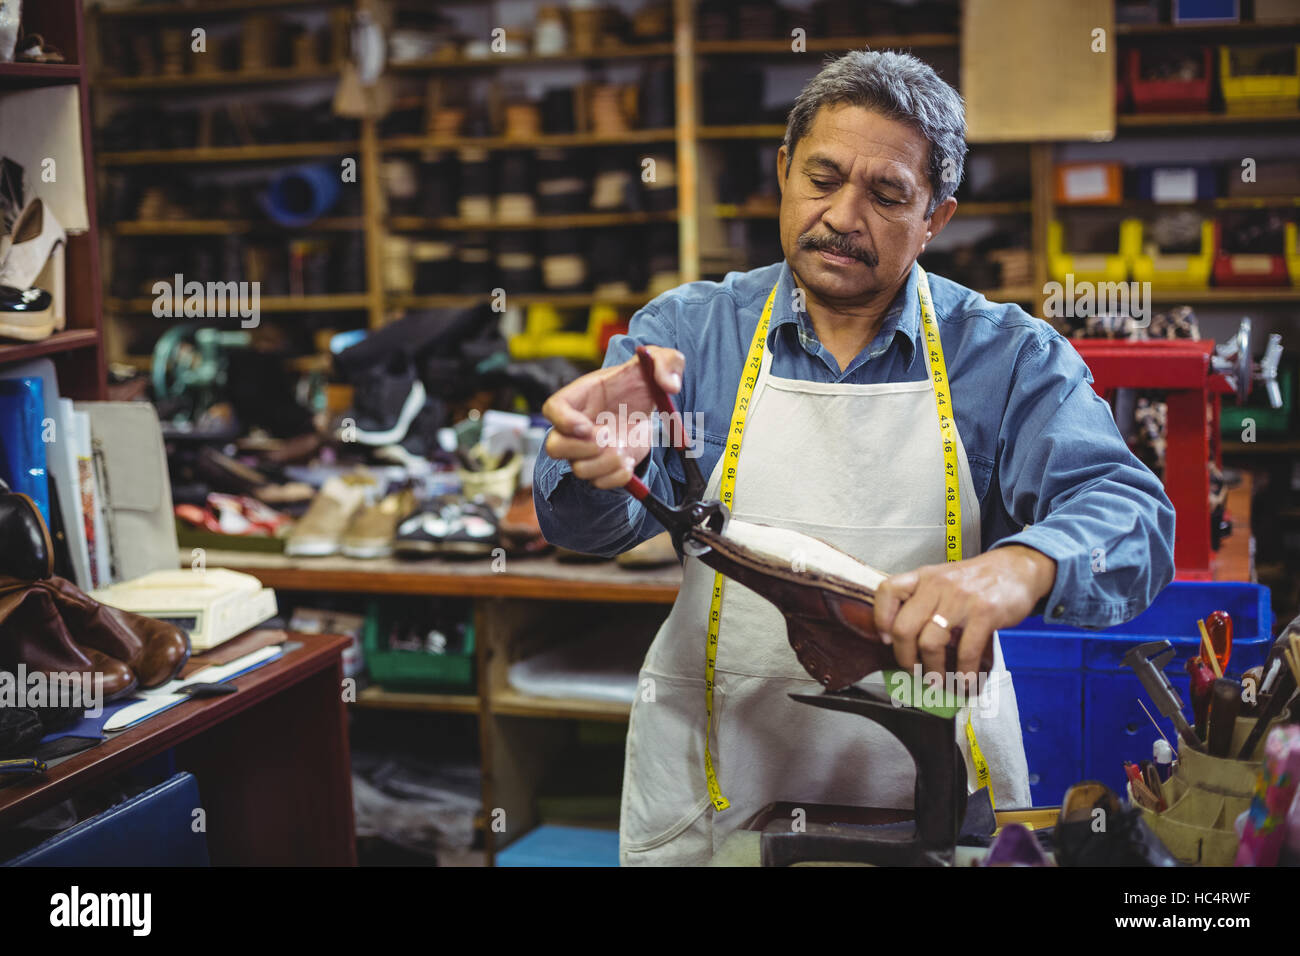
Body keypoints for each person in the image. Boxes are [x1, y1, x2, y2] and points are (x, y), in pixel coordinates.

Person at [533, 50, 1175, 866]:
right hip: (718, 779)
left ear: (936, 217)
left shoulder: (1007, 357)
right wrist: (594, 468)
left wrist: (1016, 569)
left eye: (886, 194)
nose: (842, 215)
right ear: (782, 171)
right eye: (822, 177)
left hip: (931, 783)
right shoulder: (692, 333)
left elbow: (1137, 518)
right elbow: (587, 529)